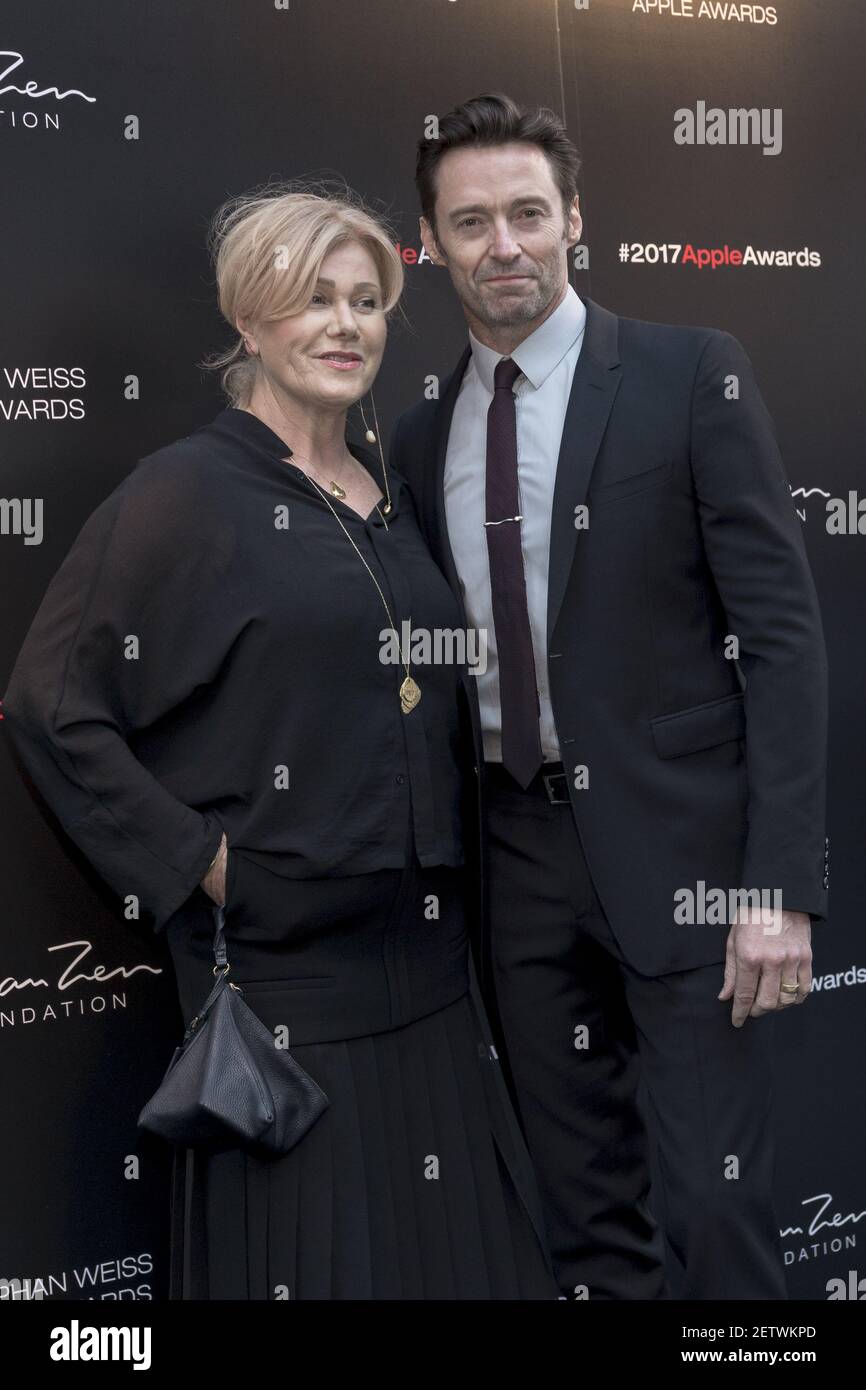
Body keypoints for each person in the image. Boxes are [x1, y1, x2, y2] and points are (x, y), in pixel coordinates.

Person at [2, 183, 559, 1300]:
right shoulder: (184, 494)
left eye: (365, 299)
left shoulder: (391, 494)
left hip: (439, 994)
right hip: (292, 1004)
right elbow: (49, 702)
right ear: (248, 321)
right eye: (312, 298)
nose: (345, 324)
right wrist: (202, 867)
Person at [390, 93, 829, 1300]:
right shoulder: (417, 436)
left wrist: (779, 883)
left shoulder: (691, 374)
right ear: (429, 246)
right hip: (513, 863)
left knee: (717, 1208)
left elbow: (781, 638)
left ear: (574, 217)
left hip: (686, 857)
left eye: (528, 212)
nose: (505, 245)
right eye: (470, 222)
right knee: (580, 1221)